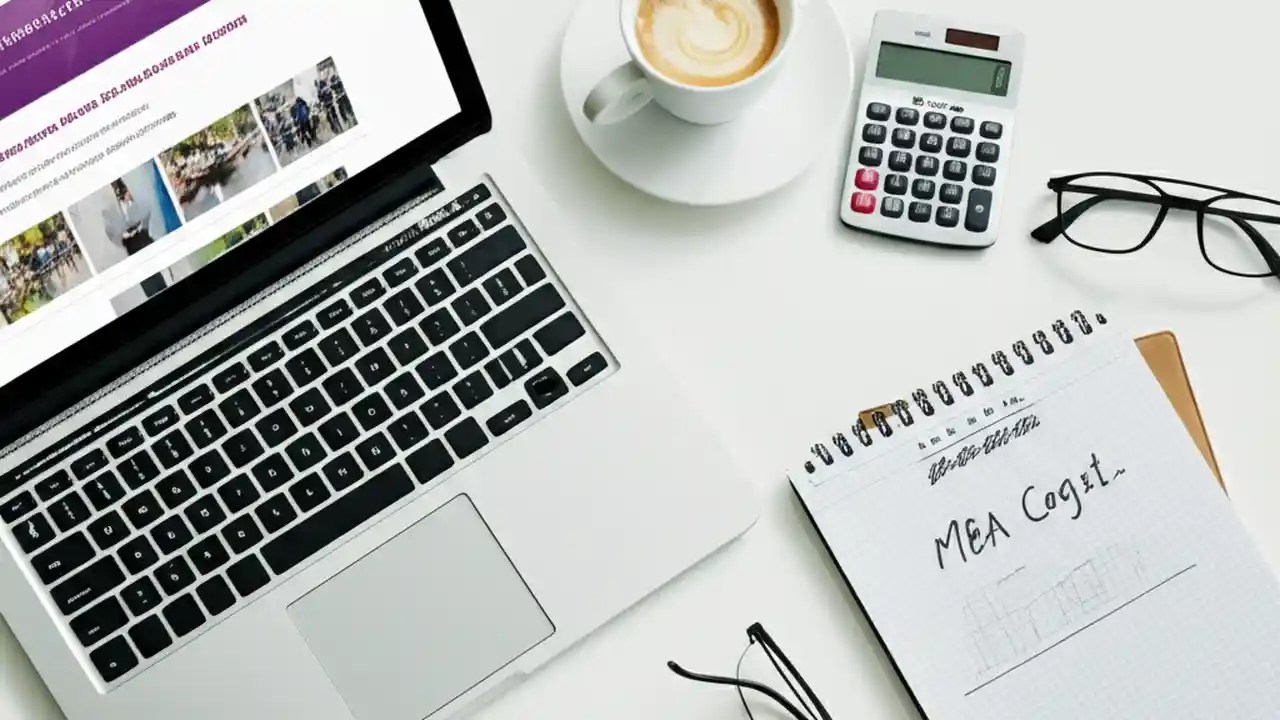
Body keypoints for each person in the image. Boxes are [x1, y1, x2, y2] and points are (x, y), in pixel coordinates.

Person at [102, 179, 167, 298]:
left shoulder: (132, 202)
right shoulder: (112, 209)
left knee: (154, 276)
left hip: (139, 241)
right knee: (149, 279)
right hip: (134, 244)